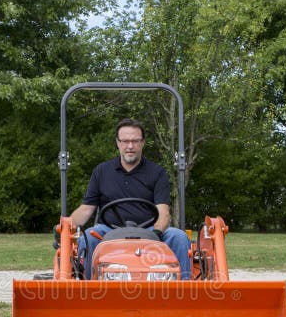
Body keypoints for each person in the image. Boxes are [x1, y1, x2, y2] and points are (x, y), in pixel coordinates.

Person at [67, 118, 192, 279]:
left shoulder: (157, 172)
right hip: (109, 230)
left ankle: (185, 289)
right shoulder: (102, 171)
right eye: (125, 141)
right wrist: (66, 226)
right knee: (89, 236)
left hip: (148, 230)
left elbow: (163, 212)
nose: (130, 146)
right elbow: (86, 209)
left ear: (143, 143)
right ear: (118, 143)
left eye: (135, 141)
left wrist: (156, 233)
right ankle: (89, 289)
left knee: (179, 237)